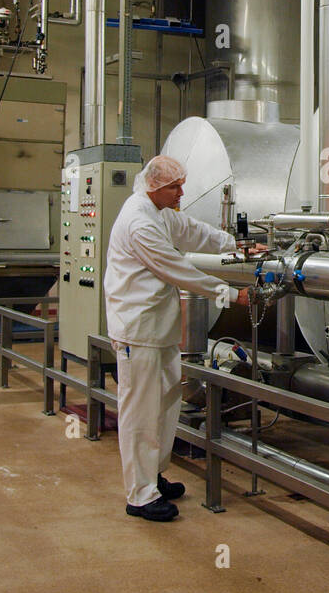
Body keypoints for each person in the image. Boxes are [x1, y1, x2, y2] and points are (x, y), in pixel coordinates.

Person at [103, 154, 248, 522]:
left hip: (159, 328)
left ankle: (153, 475)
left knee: (166, 404)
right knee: (139, 412)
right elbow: (179, 269)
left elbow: (194, 232)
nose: (181, 192)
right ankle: (139, 495)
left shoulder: (161, 212)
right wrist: (230, 294)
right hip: (138, 329)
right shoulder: (139, 223)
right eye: (175, 186)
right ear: (155, 187)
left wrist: (235, 245)